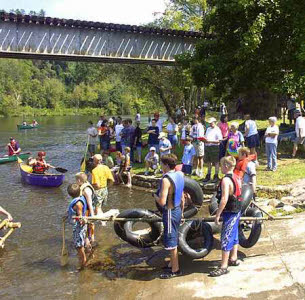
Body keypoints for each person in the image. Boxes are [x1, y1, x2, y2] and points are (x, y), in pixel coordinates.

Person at [210, 156, 242, 277]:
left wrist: (218, 214)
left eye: (222, 165)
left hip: (230, 211)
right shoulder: (237, 177)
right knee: (234, 234)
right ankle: (233, 258)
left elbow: (224, 199)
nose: (220, 167)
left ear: (227, 166)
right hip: (237, 210)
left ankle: (224, 266)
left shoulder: (226, 180)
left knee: (226, 236)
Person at [153, 154, 184, 279]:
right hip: (177, 210)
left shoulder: (166, 180)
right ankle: (172, 263)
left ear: (166, 165)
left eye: (161, 164)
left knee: (171, 241)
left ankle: (175, 270)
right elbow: (182, 197)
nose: (161, 166)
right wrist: (182, 212)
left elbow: (162, 202)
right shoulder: (180, 174)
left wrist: (154, 196)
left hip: (170, 212)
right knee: (174, 236)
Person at [67, 183, 89, 269]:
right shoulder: (80, 199)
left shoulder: (77, 204)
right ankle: (88, 250)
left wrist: (81, 219)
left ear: (69, 194)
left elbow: (80, 216)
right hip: (81, 226)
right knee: (82, 241)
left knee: (79, 246)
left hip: (79, 227)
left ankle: (83, 264)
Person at [75, 172, 96, 244]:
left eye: (76, 180)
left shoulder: (86, 190)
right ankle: (91, 242)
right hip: (88, 210)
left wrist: (92, 215)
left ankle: (89, 243)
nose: (75, 182)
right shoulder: (86, 185)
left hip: (88, 211)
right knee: (89, 227)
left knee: (87, 227)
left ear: (79, 181)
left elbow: (89, 202)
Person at [203, 117, 223, 182]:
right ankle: (208, 175)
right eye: (210, 123)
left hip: (214, 147)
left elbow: (219, 140)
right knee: (208, 161)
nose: (210, 124)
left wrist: (211, 141)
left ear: (215, 122)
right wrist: (204, 140)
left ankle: (216, 175)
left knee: (216, 161)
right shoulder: (208, 129)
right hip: (207, 146)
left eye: (211, 123)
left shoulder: (217, 129)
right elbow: (206, 137)